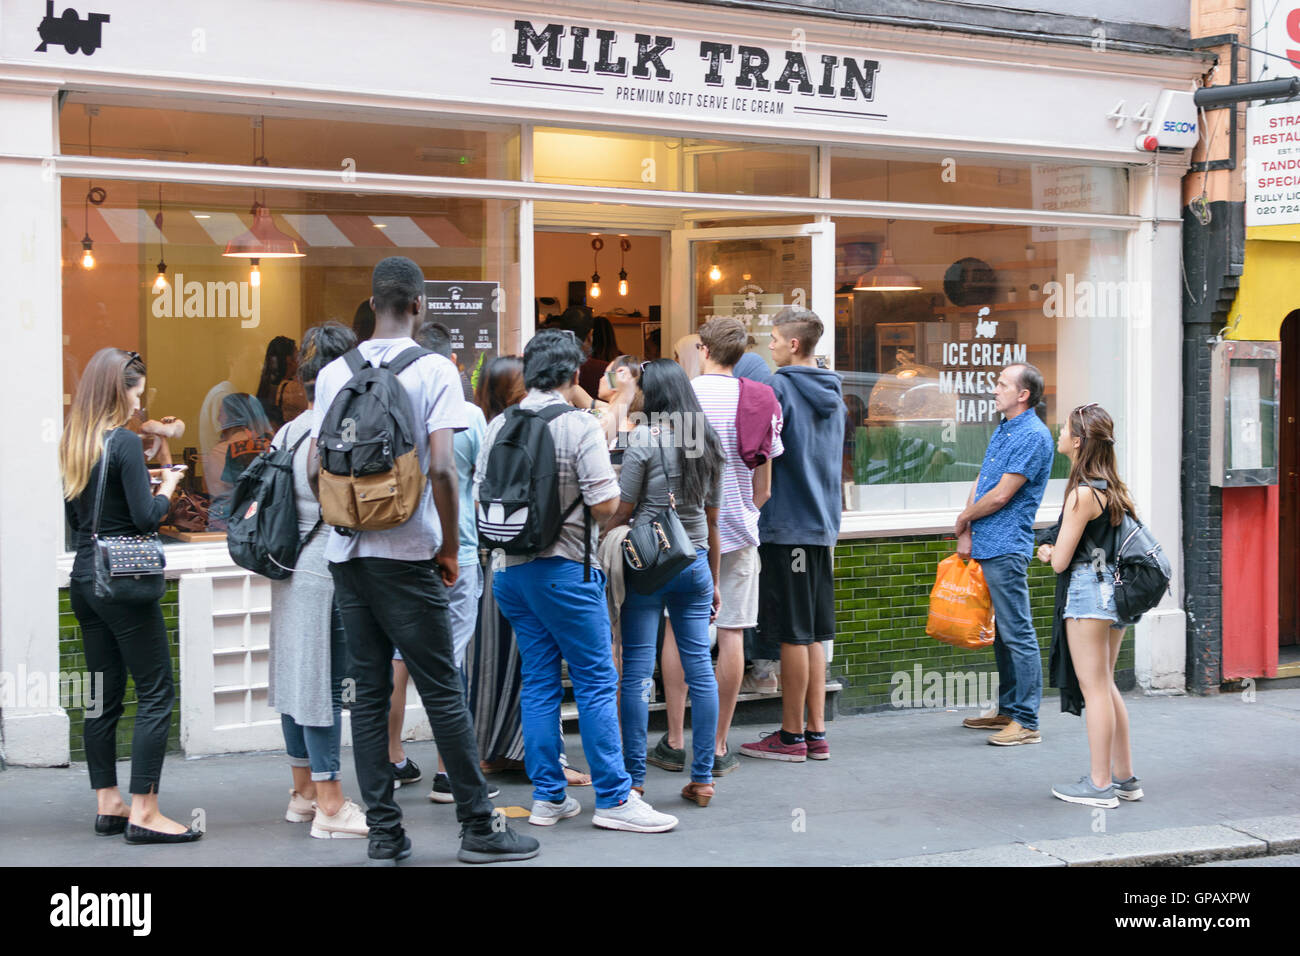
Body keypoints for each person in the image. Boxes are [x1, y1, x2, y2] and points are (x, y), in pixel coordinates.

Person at [310, 256, 539, 865]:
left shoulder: (335, 373)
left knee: (365, 691)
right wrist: (449, 547)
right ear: (418, 305)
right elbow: (440, 466)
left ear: (373, 301)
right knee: (442, 687)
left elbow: (314, 466)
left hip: (347, 552)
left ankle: (385, 833)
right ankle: (478, 827)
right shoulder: (435, 369)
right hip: (409, 551)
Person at [479, 329, 678, 832]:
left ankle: (549, 796)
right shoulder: (578, 425)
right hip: (565, 569)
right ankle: (614, 798)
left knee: (540, 681)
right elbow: (605, 503)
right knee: (595, 681)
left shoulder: (500, 422)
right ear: (573, 375)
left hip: (509, 572)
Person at [61, 348, 197, 844]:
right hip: (123, 586)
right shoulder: (121, 442)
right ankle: (145, 809)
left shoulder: (75, 441)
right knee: (158, 692)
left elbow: (81, 519)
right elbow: (144, 518)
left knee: (103, 697)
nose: (142, 403)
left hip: (85, 580)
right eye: (139, 392)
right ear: (123, 390)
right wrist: (171, 484)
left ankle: (108, 802)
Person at [652, 318, 782, 778]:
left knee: (676, 629)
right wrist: (745, 508)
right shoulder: (761, 399)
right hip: (739, 529)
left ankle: (673, 739)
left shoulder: (682, 398)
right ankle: (720, 742)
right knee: (732, 632)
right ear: (742, 352)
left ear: (703, 349)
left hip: (686, 533)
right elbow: (763, 482)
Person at [606, 359, 724, 806]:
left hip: (649, 564)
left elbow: (624, 508)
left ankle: (634, 779)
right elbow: (713, 524)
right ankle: (703, 778)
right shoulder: (707, 442)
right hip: (693, 563)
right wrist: (713, 580)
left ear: (652, 396)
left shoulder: (642, 439)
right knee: (700, 668)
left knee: (636, 669)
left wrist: (599, 538)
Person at [268, 322, 368, 839]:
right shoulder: (335, 432)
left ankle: (303, 792)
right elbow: (350, 509)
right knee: (319, 684)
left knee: (294, 678)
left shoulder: (289, 429)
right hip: (323, 571)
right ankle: (331, 806)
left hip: (289, 570)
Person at [740, 309, 844, 763]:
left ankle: (790, 736)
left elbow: (759, 455)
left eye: (777, 339)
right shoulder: (834, 392)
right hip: (821, 524)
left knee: (793, 634)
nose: (772, 345)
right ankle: (815, 733)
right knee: (815, 633)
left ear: (794, 345)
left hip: (788, 526)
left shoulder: (777, 390)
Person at [1037, 403, 1140, 808]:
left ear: (1077, 442)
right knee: (1107, 684)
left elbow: (1062, 559)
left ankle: (1099, 785)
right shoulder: (1112, 487)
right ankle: (1124, 778)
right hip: (1114, 592)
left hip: (1087, 594)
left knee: (1094, 687)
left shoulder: (1082, 494)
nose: (1059, 434)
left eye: (1063, 430)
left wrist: (1046, 552)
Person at [954, 363, 1055, 746]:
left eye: (1001, 384)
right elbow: (983, 481)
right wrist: (966, 529)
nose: (994, 390)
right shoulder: (1005, 428)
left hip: (1007, 544)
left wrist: (964, 518)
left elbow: (1001, 495)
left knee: (1018, 632)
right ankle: (1009, 710)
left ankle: (1027, 721)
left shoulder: (1032, 435)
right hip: (987, 540)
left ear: (1023, 395)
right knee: (1003, 635)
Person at [256, 335, 307, 430]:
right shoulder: (290, 387)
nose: (301, 358)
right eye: (297, 353)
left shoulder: (267, 387)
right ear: (289, 359)